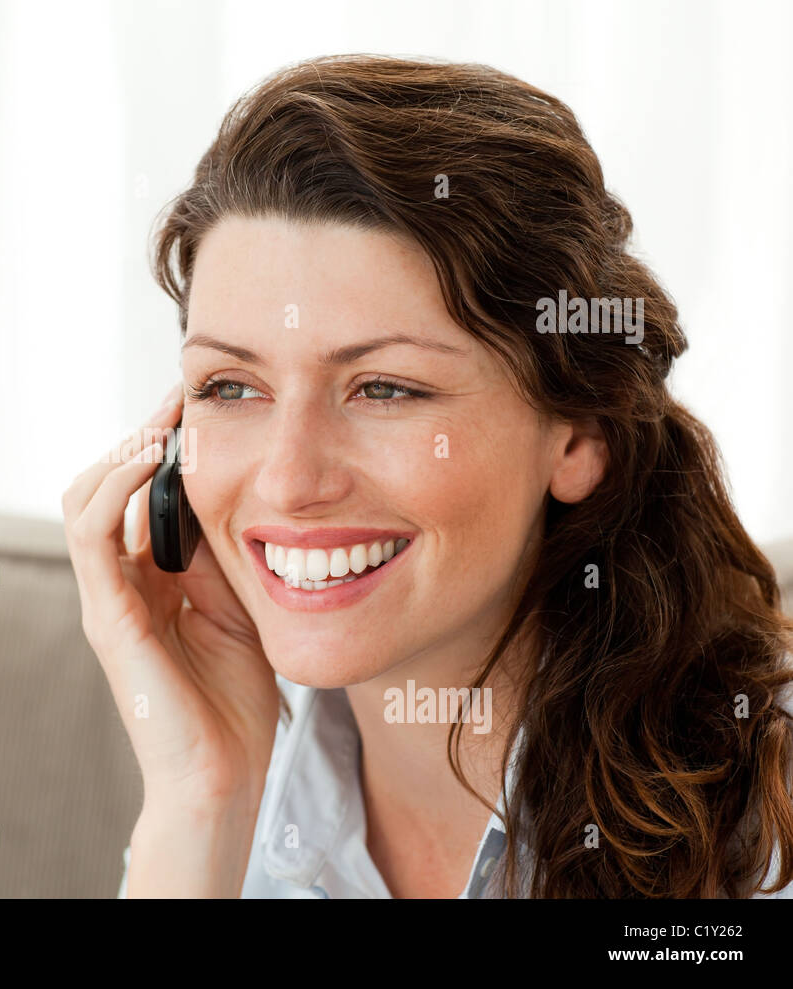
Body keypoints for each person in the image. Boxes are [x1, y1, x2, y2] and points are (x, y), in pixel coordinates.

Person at [61, 54, 793, 898]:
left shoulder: (765, 825)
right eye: (232, 387)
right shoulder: (226, 823)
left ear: (580, 433)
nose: (291, 480)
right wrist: (201, 804)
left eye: (385, 389)